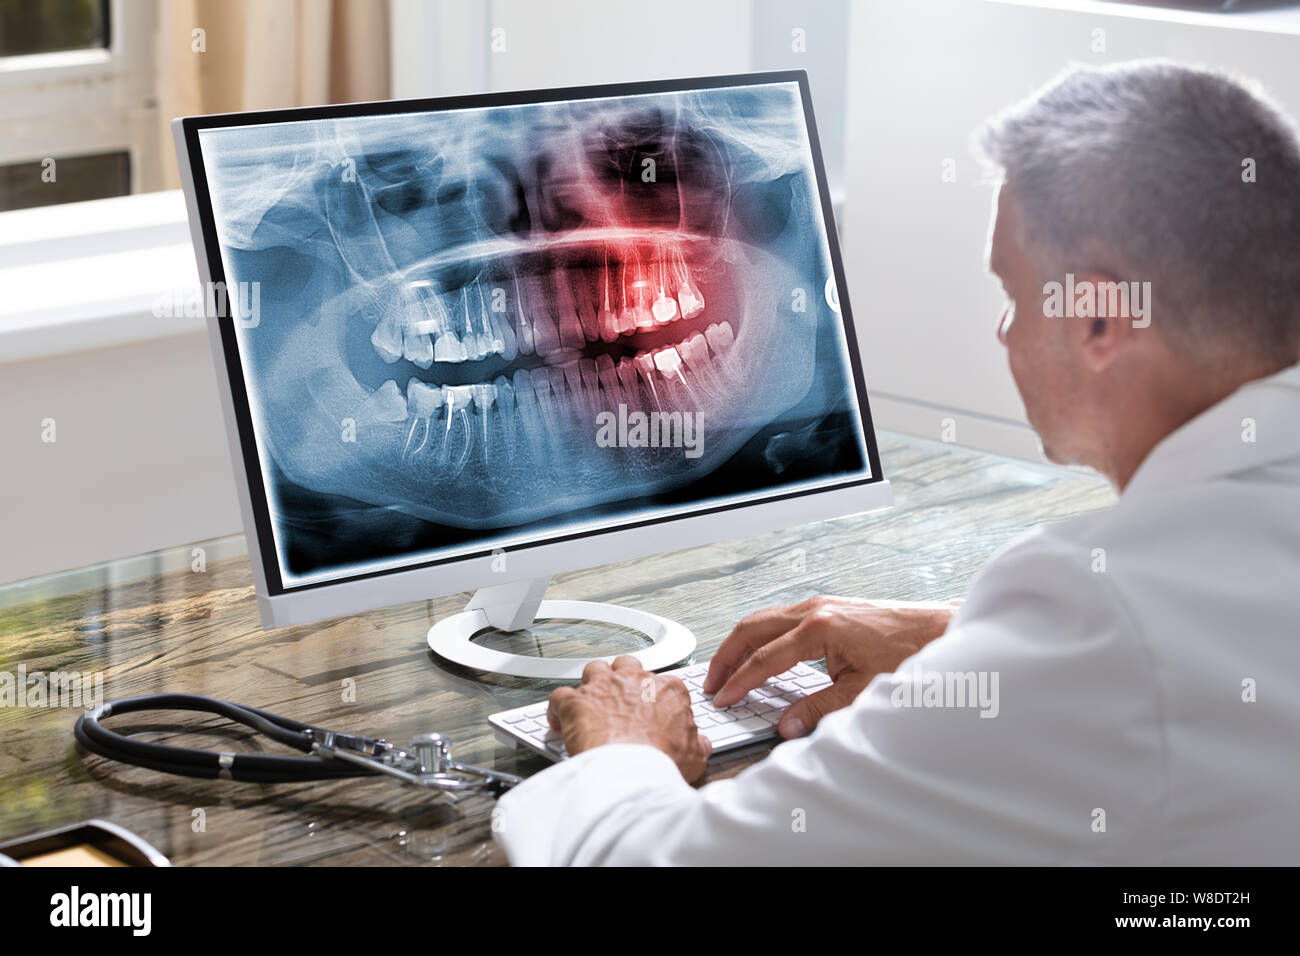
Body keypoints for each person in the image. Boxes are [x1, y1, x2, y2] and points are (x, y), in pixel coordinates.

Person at [492, 60, 1300, 865]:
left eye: (1013, 298)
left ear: (1097, 318)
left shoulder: (1097, 619)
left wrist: (621, 749)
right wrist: (977, 641)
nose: (1004, 335)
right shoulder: (1126, 616)